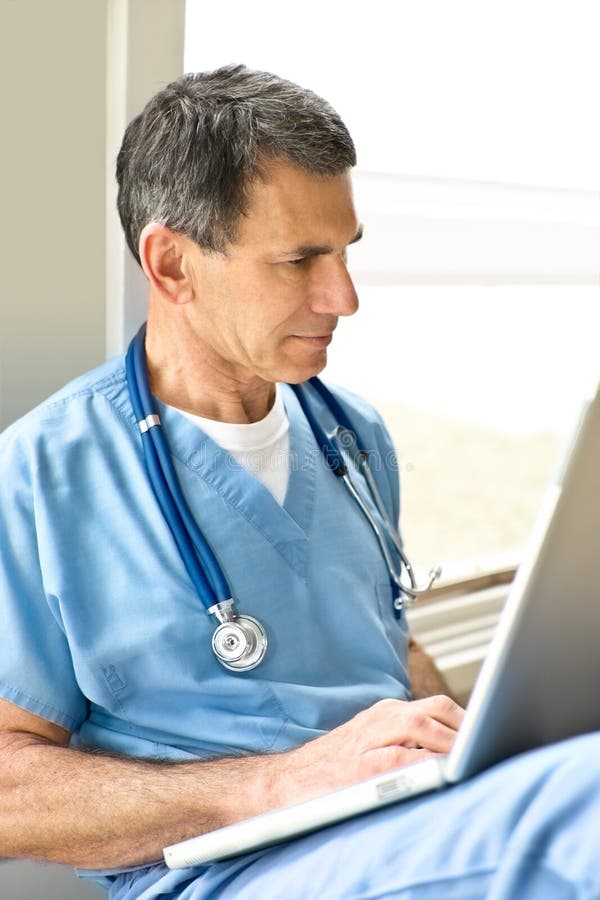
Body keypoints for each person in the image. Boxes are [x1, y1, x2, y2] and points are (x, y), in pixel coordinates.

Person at [0, 65, 599, 900]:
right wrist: (278, 783)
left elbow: (378, 646)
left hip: (396, 828)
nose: (343, 297)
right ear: (171, 265)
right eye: (299, 261)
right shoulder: (39, 478)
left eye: (347, 252)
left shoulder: (353, 436)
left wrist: (470, 739)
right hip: (235, 871)